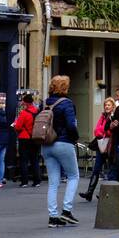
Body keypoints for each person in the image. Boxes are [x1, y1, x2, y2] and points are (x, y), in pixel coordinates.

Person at [42, 75, 80, 227]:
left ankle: (53, 216)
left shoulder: (44, 103)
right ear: (65, 87)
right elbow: (71, 125)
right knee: (73, 176)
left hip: (46, 144)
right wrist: (75, 137)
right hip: (63, 142)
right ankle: (66, 210)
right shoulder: (67, 103)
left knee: (53, 182)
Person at [82, 98, 117, 202]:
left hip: (110, 146)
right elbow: (97, 131)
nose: (106, 107)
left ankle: (108, 193)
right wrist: (104, 131)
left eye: (109, 105)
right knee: (96, 169)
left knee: (111, 170)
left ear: (113, 107)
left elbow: (111, 132)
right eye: (105, 105)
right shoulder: (103, 116)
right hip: (101, 145)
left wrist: (104, 131)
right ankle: (89, 192)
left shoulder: (114, 117)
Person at [13, 93, 41, 187]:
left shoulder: (24, 113)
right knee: (35, 160)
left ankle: (24, 182)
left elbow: (18, 126)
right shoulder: (37, 111)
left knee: (24, 160)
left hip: (24, 138)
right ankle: (37, 181)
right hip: (35, 138)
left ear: (25, 102)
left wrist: (15, 126)